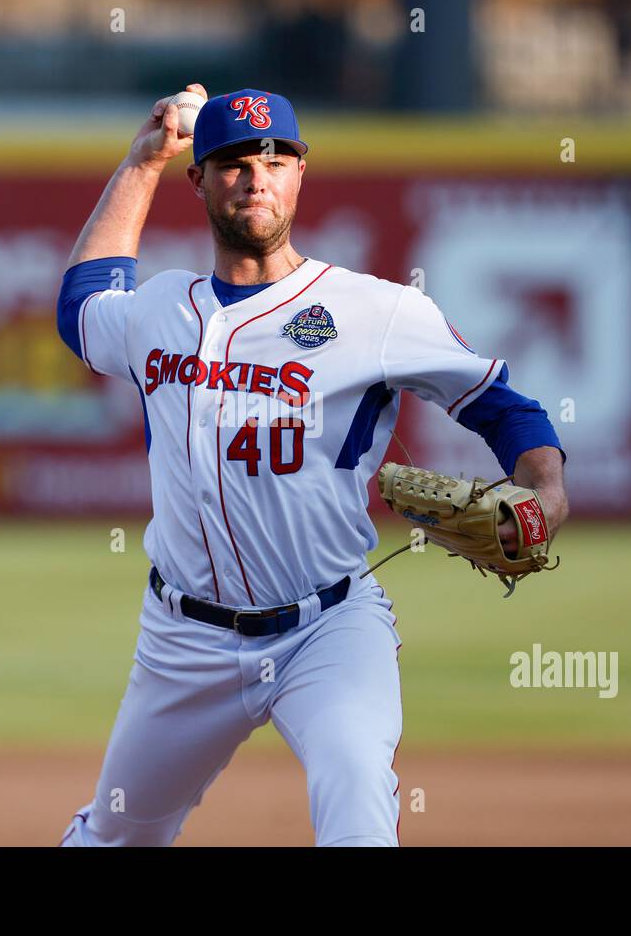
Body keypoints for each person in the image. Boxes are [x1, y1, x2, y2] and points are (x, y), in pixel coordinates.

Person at [55, 84, 568, 846]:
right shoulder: (159, 309)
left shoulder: (377, 312)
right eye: (231, 161)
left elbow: (502, 405)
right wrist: (144, 158)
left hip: (326, 628)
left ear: (301, 171)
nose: (255, 176)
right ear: (198, 180)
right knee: (116, 835)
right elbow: (80, 306)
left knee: (357, 794)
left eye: (276, 157)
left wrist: (547, 493)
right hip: (183, 639)